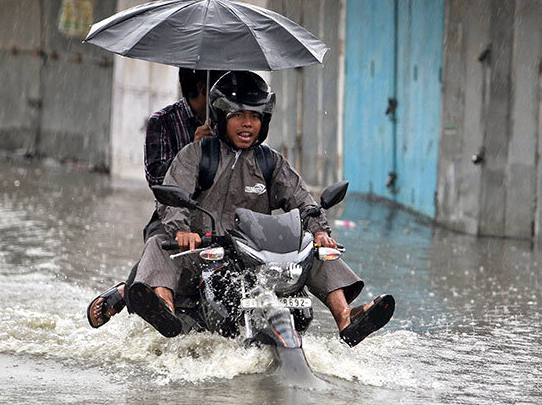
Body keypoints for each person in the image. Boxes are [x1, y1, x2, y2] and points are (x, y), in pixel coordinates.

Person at [126, 70, 395, 347]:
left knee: (314, 249)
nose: (247, 124)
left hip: (255, 257)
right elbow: (173, 198)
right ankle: (164, 307)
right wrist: (182, 230)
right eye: (238, 115)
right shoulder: (196, 154)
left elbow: (302, 199)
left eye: (255, 116)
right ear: (221, 116)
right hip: (203, 253)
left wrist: (319, 232)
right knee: (160, 243)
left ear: (264, 121)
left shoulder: (271, 162)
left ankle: (345, 316)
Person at [86, 68, 214, 328]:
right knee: (161, 244)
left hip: (217, 216)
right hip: (172, 217)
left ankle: (124, 290)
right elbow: (158, 181)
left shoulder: (229, 122)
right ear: (203, 88)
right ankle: (142, 297)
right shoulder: (163, 122)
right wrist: (193, 150)